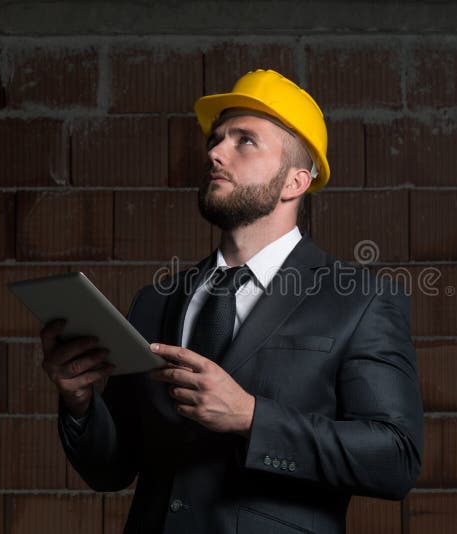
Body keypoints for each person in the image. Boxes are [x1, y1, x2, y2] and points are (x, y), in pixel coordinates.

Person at [40, 69, 424, 534]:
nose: (215, 152)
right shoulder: (154, 303)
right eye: (217, 139)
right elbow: (112, 470)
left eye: (245, 141)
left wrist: (252, 418)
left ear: (294, 182)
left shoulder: (361, 302)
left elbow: (395, 460)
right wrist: (79, 401)